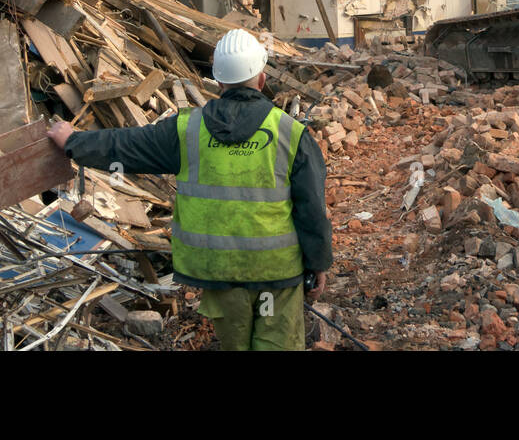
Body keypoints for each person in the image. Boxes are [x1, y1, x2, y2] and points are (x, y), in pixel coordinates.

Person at [47, 28, 332, 351]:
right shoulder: (292, 134)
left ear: (219, 83)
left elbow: (126, 146)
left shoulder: (187, 131)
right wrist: (318, 263)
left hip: (221, 276)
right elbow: (312, 211)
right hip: (277, 276)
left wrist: (73, 142)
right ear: (262, 79)